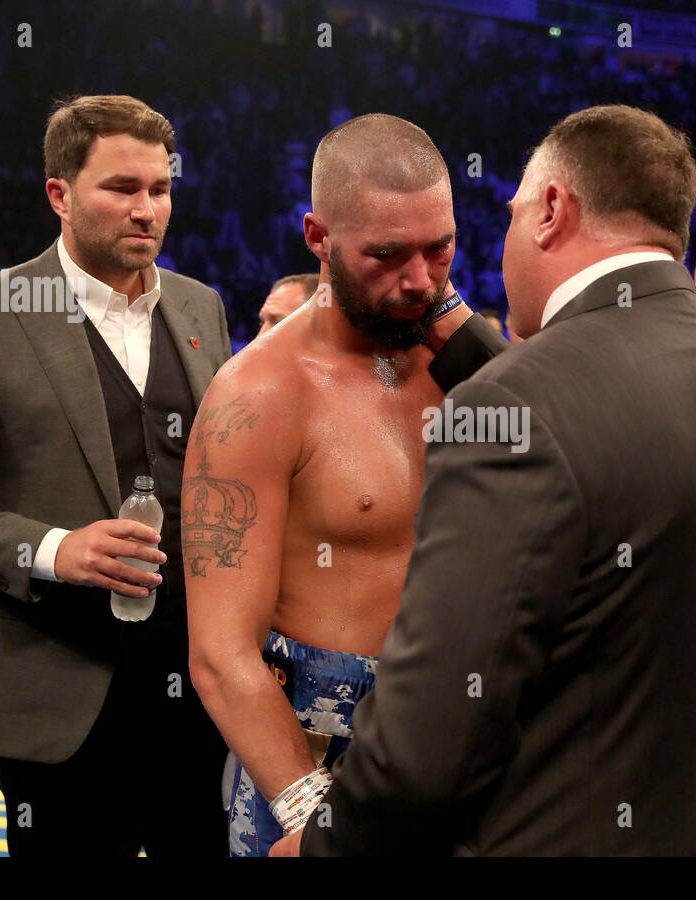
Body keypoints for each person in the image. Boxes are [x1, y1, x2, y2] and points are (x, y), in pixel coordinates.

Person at [290, 105, 696, 856]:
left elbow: (430, 740)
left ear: (551, 211)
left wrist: (326, 844)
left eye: (507, 215)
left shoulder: (511, 406)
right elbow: (610, 428)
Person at [0, 95, 234, 856]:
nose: (147, 210)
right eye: (122, 188)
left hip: (200, 690)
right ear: (59, 194)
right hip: (58, 693)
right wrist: (50, 548)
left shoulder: (202, 306)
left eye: (160, 189)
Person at [184, 113, 505, 856]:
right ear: (318, 238)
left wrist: (454, 319)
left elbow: (563, 436)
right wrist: (310, 812)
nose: (419, 278)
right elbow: (221, 654)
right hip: (313, 741)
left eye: (440, 248)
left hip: (450, 729)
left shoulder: (455, 363)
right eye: (387, 254)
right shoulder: (260, 394)